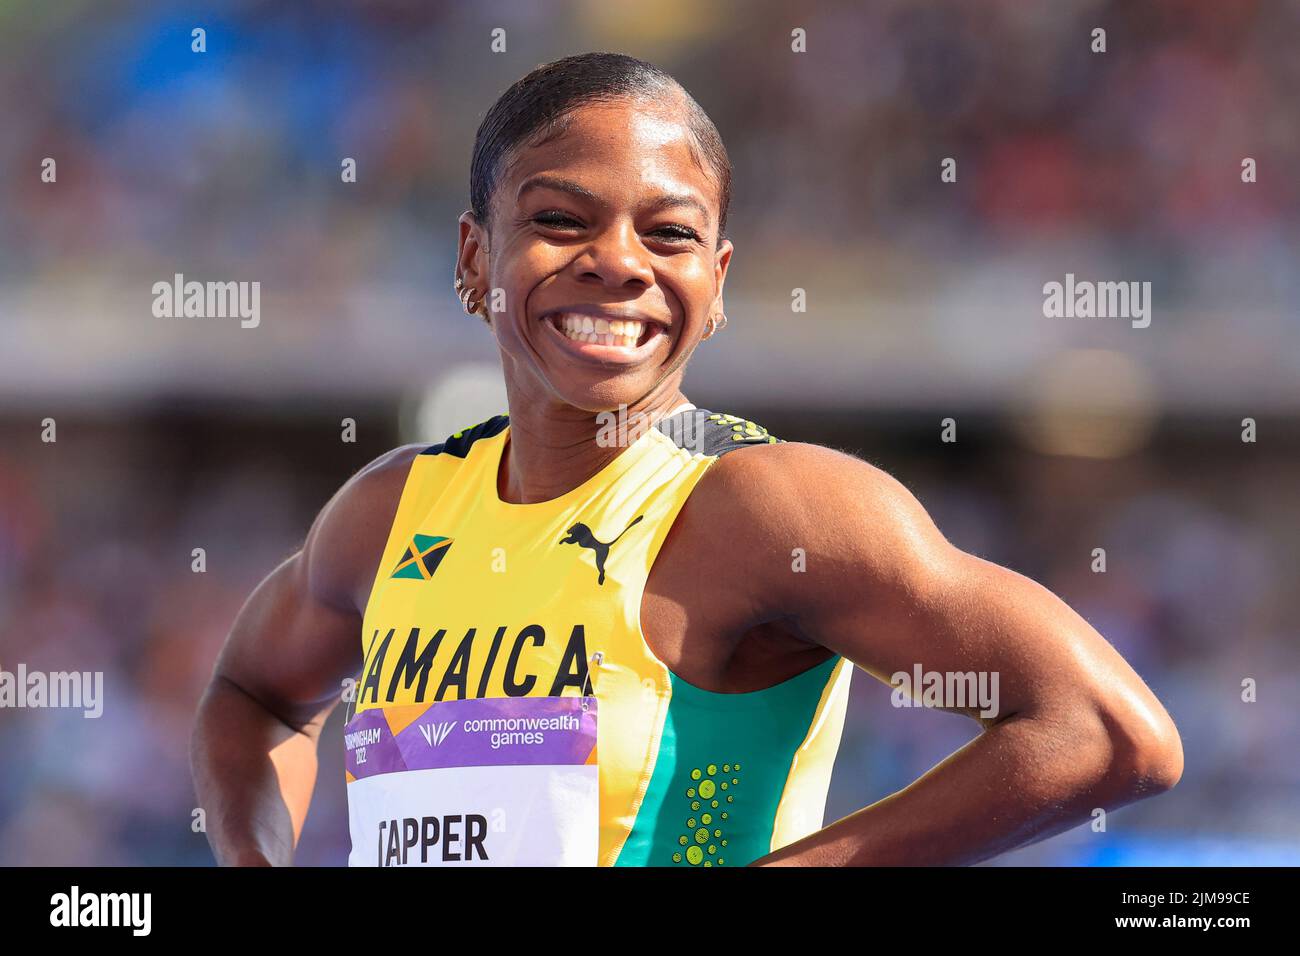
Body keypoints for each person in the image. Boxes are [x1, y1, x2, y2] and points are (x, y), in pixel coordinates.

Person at [191, 52, 1182, 867]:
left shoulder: (764, 506)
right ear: (473, 259)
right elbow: (253, 697)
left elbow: (1104, 729)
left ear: (715, 284)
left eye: (667, 232)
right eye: (559, 219)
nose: (617, 260)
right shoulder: (389, 510)